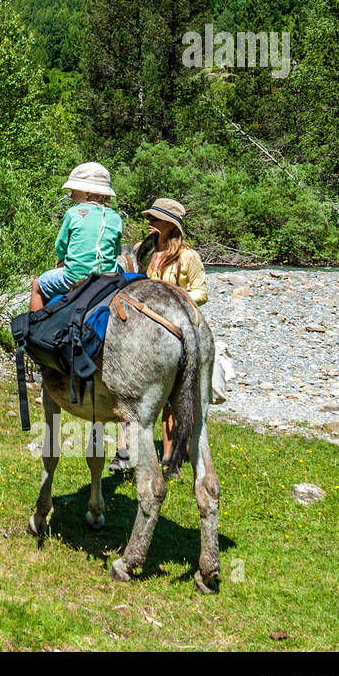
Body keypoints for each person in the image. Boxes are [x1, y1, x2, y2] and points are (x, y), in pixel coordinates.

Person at [108, 197, 208, 475]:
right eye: (149, 218)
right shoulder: (146, 250)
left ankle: (169, 458)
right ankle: (124, 450)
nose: (149, 222)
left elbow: (202, 292)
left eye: (155, 219)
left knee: (169, 400)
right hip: (145, 326)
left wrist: (175, 298)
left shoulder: (188, 256)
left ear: (169, 224)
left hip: (175, 326)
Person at [28, 162, 123, 313]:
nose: (71, 194)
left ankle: (33, 327)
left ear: (88, 193)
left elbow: (61, 245)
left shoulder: (73, 213)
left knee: (37, 285)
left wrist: (61, 262)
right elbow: (116, 250)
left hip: (75, 276)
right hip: (107, 277)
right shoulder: (115, 217)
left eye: (74, 189)